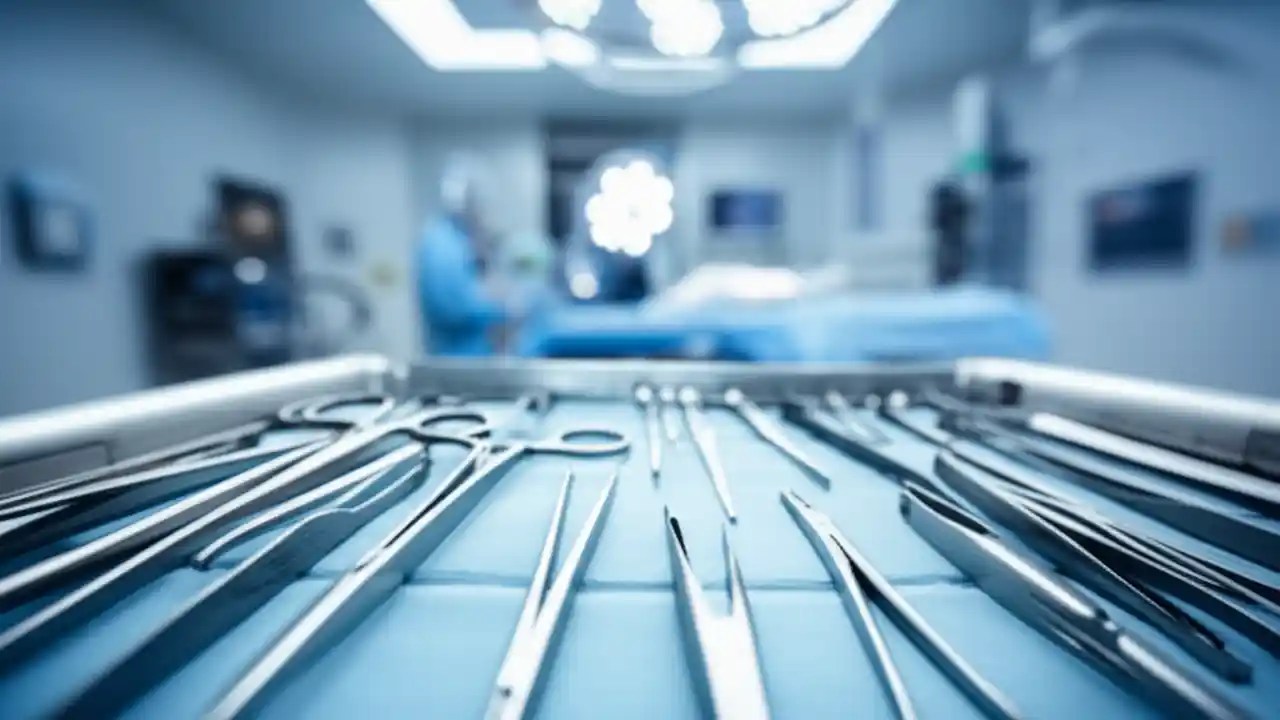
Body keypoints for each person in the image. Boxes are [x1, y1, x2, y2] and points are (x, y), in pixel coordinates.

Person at [416, 155, 507, 356]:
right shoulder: (441, 244)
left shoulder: (460, 240)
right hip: (456, 359)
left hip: (473, 355)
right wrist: (501, 309)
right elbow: (452, 309)